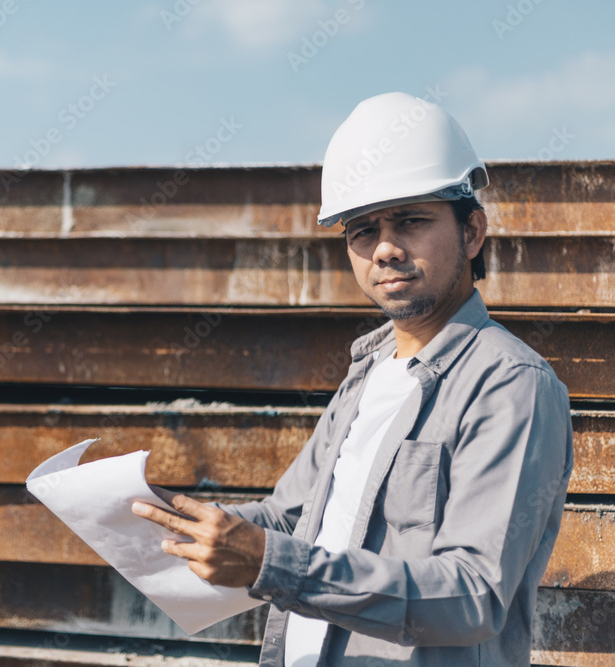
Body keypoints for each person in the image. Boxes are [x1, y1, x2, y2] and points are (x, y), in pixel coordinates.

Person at [132, 92, 574, 665]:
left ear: (471, 233)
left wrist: (273, 563)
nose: (386, 248)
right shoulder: (367, 375)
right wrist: (170, 521)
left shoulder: (510, 385)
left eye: (411, 221)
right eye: (364, 230)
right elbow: (290, 517)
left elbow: (472, 594)